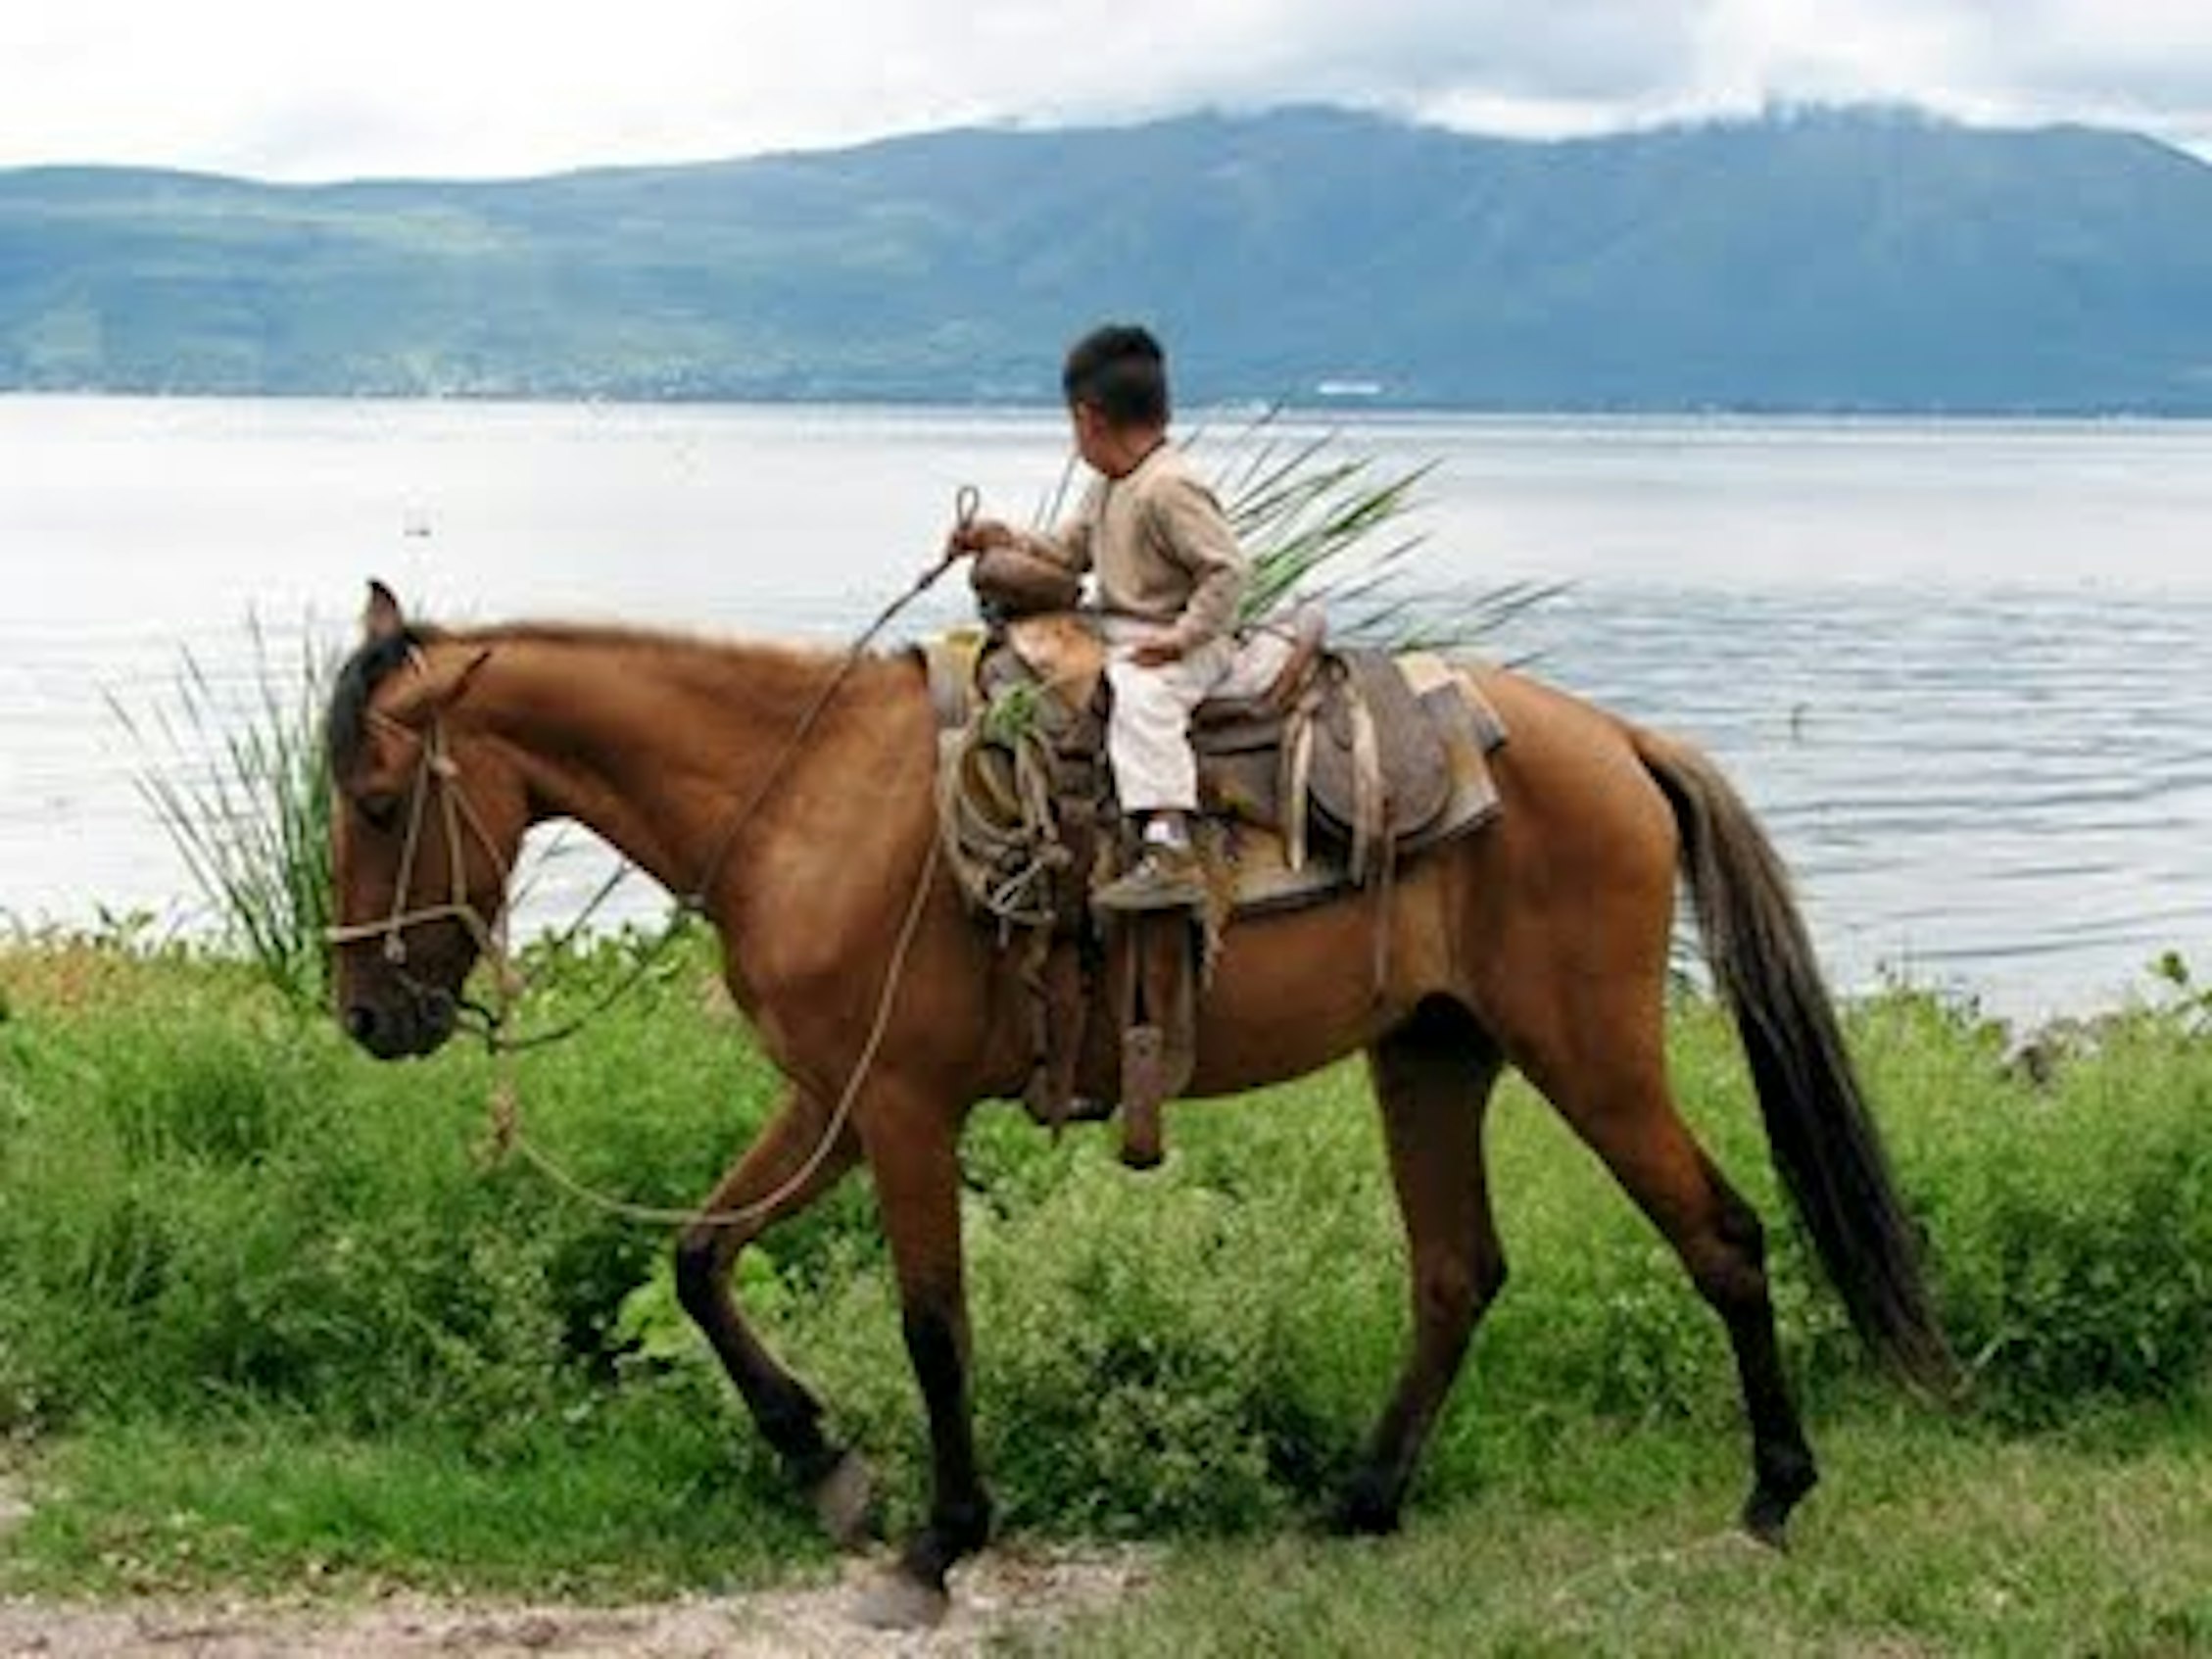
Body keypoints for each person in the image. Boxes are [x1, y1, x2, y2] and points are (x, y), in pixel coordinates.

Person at [947, 322, 1248, 911]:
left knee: (1142, 698)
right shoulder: (1111, 486)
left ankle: (1169, 844)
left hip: (1179, 640)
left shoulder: (1169, 488)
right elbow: (1067, 550)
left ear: (1089, 419)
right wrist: (1000, 538)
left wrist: (1184, 637)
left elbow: (1228, 572)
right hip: (1125, 626)